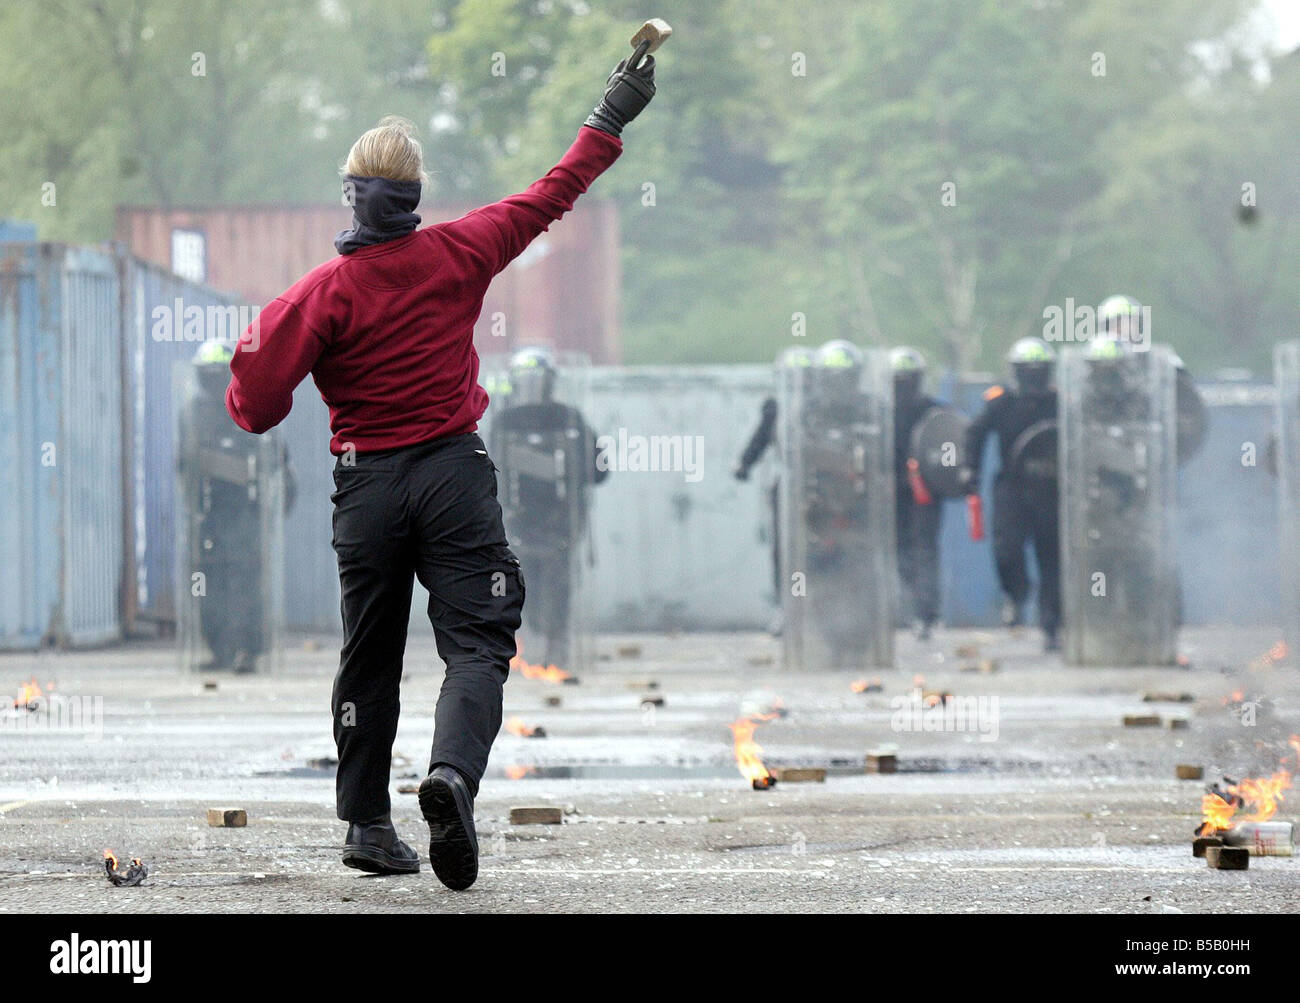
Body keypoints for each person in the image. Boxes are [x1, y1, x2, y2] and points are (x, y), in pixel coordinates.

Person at [222, 53, 658, 890]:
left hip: (368, 488)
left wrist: (256, 379)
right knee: (478, 642)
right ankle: (451, 775)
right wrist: (612, 112)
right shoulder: (464, 250)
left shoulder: (324, 292)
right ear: (415, 197)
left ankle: (368, 824)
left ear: (350, 194)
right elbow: (552, 192)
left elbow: (259, 401)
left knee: (369, 652)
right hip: (455, 477)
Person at [179, 340, 295, 673]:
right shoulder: (195, 414)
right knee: (209, 582)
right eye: (208, 375)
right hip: (211, 516)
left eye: (218, 376)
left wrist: (277, 508)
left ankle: (250, 651)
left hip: (248, 516)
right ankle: (220, 651)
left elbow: (279, 464)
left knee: (247, 582)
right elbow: (185, 466)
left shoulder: (251, 407)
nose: (213, 383)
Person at [489, 346, 607, 668]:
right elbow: (489, 470)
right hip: (517, 518)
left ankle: (555, 645)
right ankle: (537, 642)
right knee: (525, 582)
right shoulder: (505, 422)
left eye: (536, 380)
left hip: (560, 518)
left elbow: (598, 470)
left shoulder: (568, 418)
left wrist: (572, 467)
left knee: (556, 581)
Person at [963, 337, 1061, 651]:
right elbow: (974, 433)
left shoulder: (1060, 403)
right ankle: (1016, 596)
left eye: (1039, 371)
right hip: (1013, 487)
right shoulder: (1002, 401)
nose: (1033, 377)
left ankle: (1051, 626)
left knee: (1053, 559)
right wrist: (969, 470)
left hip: (1053, 489)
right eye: (1027, 371)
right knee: (1007, 550)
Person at [733, 345, 814, 631]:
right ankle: (785, 606)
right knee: (784, 549)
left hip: (826, 483)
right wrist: (744, 463)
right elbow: (761, 438)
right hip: (791, 483)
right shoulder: (778, 407)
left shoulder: (828, 404)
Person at [890, 346, 943, 640]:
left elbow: (951, 445)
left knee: (924, 550)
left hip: (925, 493)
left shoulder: (933, 411)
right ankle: (914, 608)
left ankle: (925, 613)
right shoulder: (880, 412)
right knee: (901, 551)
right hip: (893, 492)